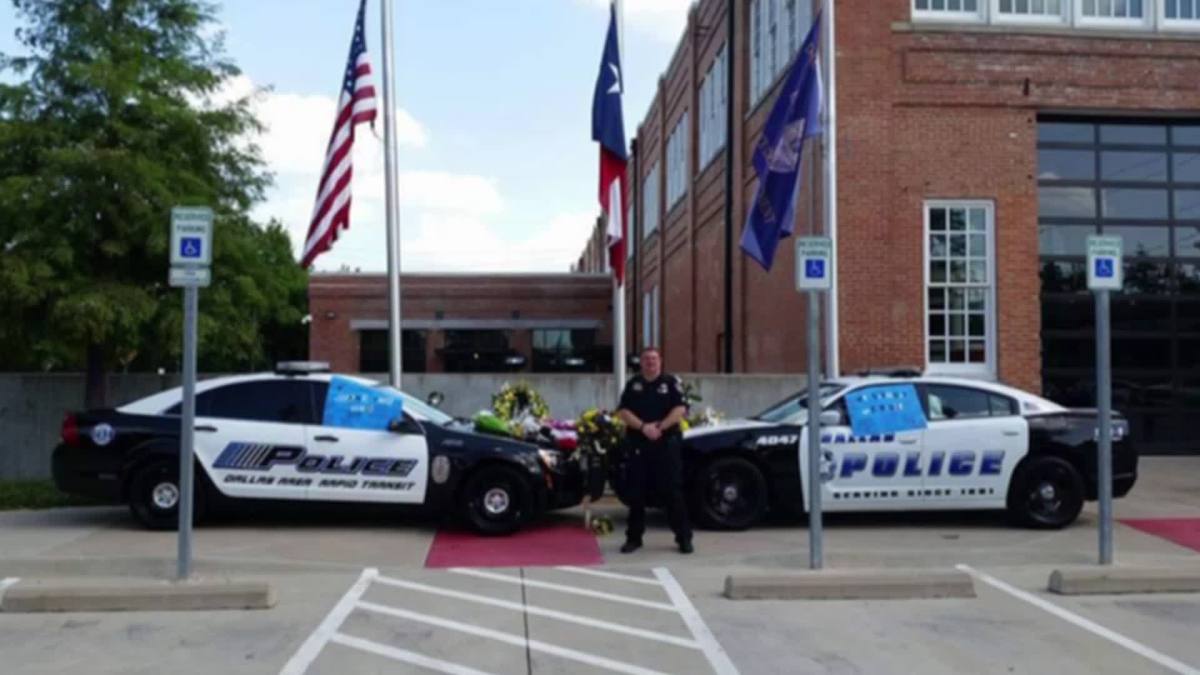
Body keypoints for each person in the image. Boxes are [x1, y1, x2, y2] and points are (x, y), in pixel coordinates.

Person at [615, 346, 694, 554]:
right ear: (641, 363)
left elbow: (680, 410)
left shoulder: (670, 383)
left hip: (666, 444)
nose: (650, 362)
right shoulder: (634, 385)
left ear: (660, 362)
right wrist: (643, 427)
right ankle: (634, 539)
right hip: (639, 444)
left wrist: (659, 427)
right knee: (636, 492)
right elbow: (623, 412)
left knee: (673, 492)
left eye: (654, 359)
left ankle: (684, 538)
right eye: (646, 359)